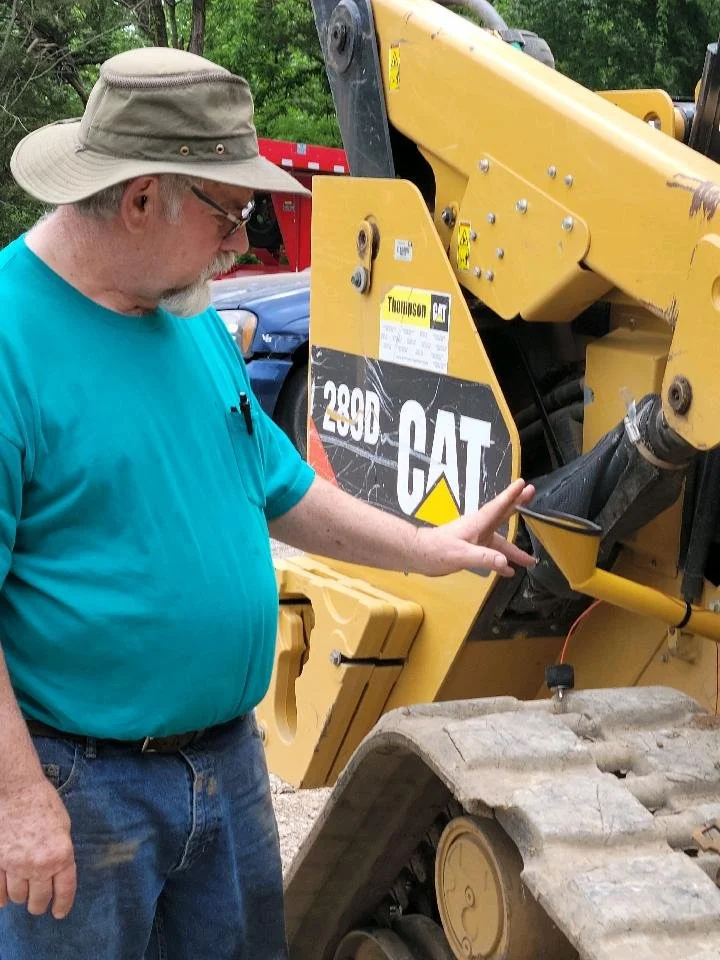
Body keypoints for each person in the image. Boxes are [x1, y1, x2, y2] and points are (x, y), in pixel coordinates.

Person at [0, 46, 535, 960]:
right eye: (232, 214)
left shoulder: (185, 312)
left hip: (229, 765)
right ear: (140, 199)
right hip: (81, 788)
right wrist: (17, 799)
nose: (242, 243)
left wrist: (429, 548)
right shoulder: (13, 337)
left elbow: (278, 486)